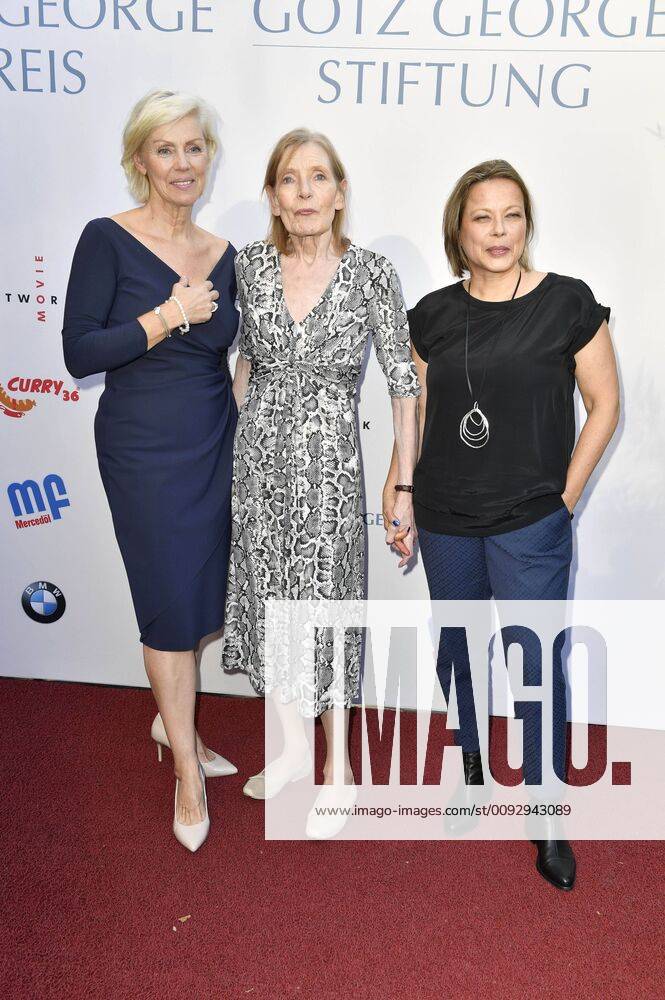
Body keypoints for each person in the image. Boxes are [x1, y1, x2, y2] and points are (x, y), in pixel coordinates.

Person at [383, 159, 619, 889]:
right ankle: (473, 767)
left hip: (529, 523)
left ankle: (544, 815)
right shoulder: (429, 314)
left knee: (534, 667)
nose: (497, 231)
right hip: (446, 515)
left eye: (510, 215)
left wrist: (564, 500)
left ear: (526, 223)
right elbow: (412, 412)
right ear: (458, 226)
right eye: (481, 216)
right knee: (458, 651)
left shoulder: (566, 303)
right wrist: (400, 490)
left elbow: (603, 406)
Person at [221, 128, 420, 837]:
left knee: (329, 608)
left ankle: (339, 771)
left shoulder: (371, 272)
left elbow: (403, 383)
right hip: (258, 463)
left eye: (317, 178)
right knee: (270, 598)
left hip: (333, 470)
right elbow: (242, 361)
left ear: (339, 193)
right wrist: (234, 446)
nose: (303, 193)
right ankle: (294, 751)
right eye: (288, 179)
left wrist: (404, 488)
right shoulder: (246, 265)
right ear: (272, 196)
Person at [62, 90, 239, 852]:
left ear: (208, 157)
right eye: (164, 149)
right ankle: (186, 773)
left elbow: (236, 357)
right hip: (141, 446)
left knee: (200, 594)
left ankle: (174, 725)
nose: (181, 163)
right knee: (169, 600)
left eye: (193, 147)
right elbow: (79, 353)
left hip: (215, 437)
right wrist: (168, 315)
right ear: (139, 160)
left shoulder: (227, 254)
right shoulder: (106, 239)